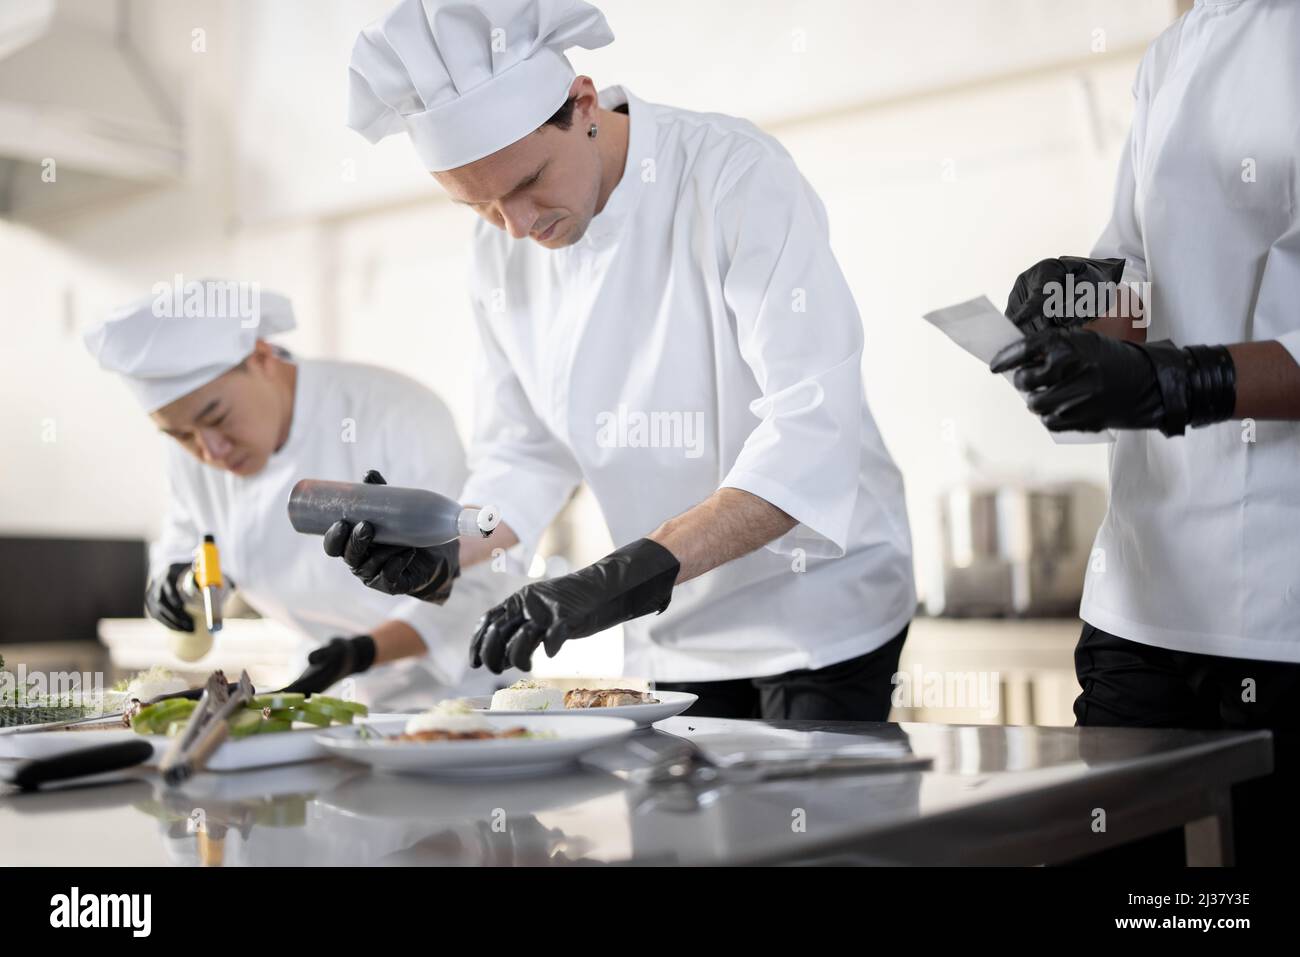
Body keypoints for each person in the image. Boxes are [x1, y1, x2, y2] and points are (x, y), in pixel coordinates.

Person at [329, 0, 916, 721]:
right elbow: (525, 455)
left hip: (818, 607)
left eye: (527, 182)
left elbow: (810, 430)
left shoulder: (732, 175)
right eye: (479, 205)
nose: (516, 226)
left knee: (803, 795)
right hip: (671, 625)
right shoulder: (498, 252)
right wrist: (446, 548)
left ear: (583, 105)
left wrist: (616, 578)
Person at [992, 0, 1300, 864]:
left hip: (1281, 614)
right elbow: (1140, 279)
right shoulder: (1172, 55)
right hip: (1140, 600)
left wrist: (1178, 381)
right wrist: (1072, 298)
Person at [84, 281, 512, 709]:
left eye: (218, 417)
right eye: (180, 435)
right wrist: (173, 583)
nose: (210, 452)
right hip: (324, 685)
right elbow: (188, 542)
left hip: (459, 692)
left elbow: (472, 585)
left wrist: (360, 654)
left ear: (262, 357)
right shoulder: (192, 453)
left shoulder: (395, 412)